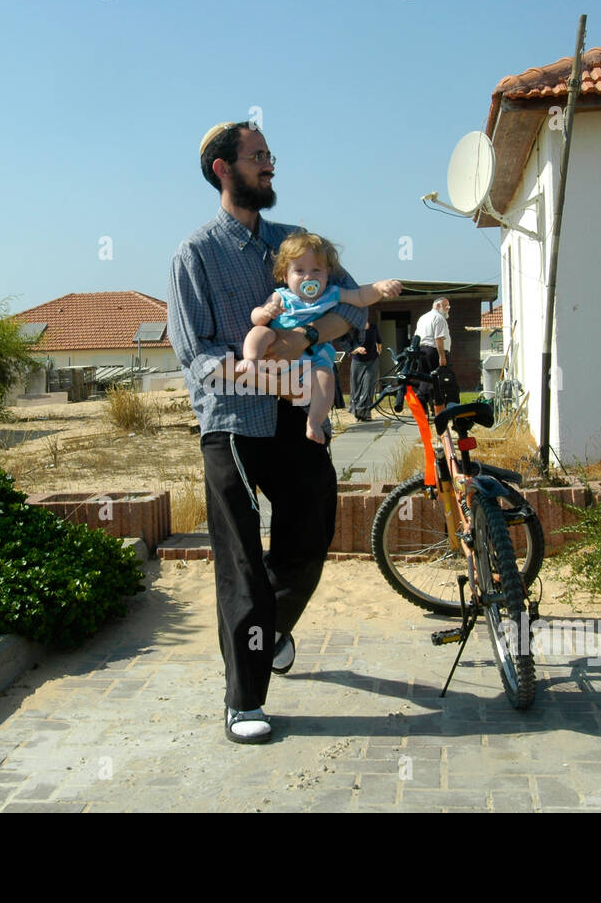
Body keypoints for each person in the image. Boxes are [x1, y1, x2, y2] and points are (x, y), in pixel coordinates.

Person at [167, 121, 366, 745]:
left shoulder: (298, 244)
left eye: (270, 156)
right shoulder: (194, 255)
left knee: (312, 534)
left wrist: (299, 339)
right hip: (232, 426)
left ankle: (268, 632)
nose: (269, 166)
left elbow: (351, 308)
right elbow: (197, 356)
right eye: (258, 157)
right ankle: (245, 699)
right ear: (223, 169)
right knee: (242, 565)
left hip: (299, 422)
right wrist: (277, 372)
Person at [237, 232, 400, 443]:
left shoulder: (331, 293)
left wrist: (378, 288)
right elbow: (255, 317)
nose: (308, 277)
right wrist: (267, 311)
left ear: (327, 273)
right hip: (276, 348)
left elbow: (360, 297)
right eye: (299, 271)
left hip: (313, 360)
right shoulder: (281, 295)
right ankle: (251, 361)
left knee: (326, 377)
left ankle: (314, 421)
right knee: (260, 332)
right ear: (284, 276)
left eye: (316, 270)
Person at [415, 297, 451, 407]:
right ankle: (434, 405)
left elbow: (416, 336)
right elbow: (439, 338)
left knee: (425, 377)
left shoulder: (423, 317)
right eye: (446, 306)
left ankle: (423, 402)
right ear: (438, 306)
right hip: (434, 351)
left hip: (422, 351)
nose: (448, 309)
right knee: (436, 380)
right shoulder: (439, 318)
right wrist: (442, 356)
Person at [349, 318, 381, 421]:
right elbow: (349, 349)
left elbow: (379, 342)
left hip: (372, 361)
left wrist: (378, 352)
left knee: (368, 387)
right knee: (356, 387)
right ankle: (357, 412)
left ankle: (366, 412)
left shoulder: (373, 327)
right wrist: (358, 349)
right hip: (357, 361)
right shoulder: (353, 329)